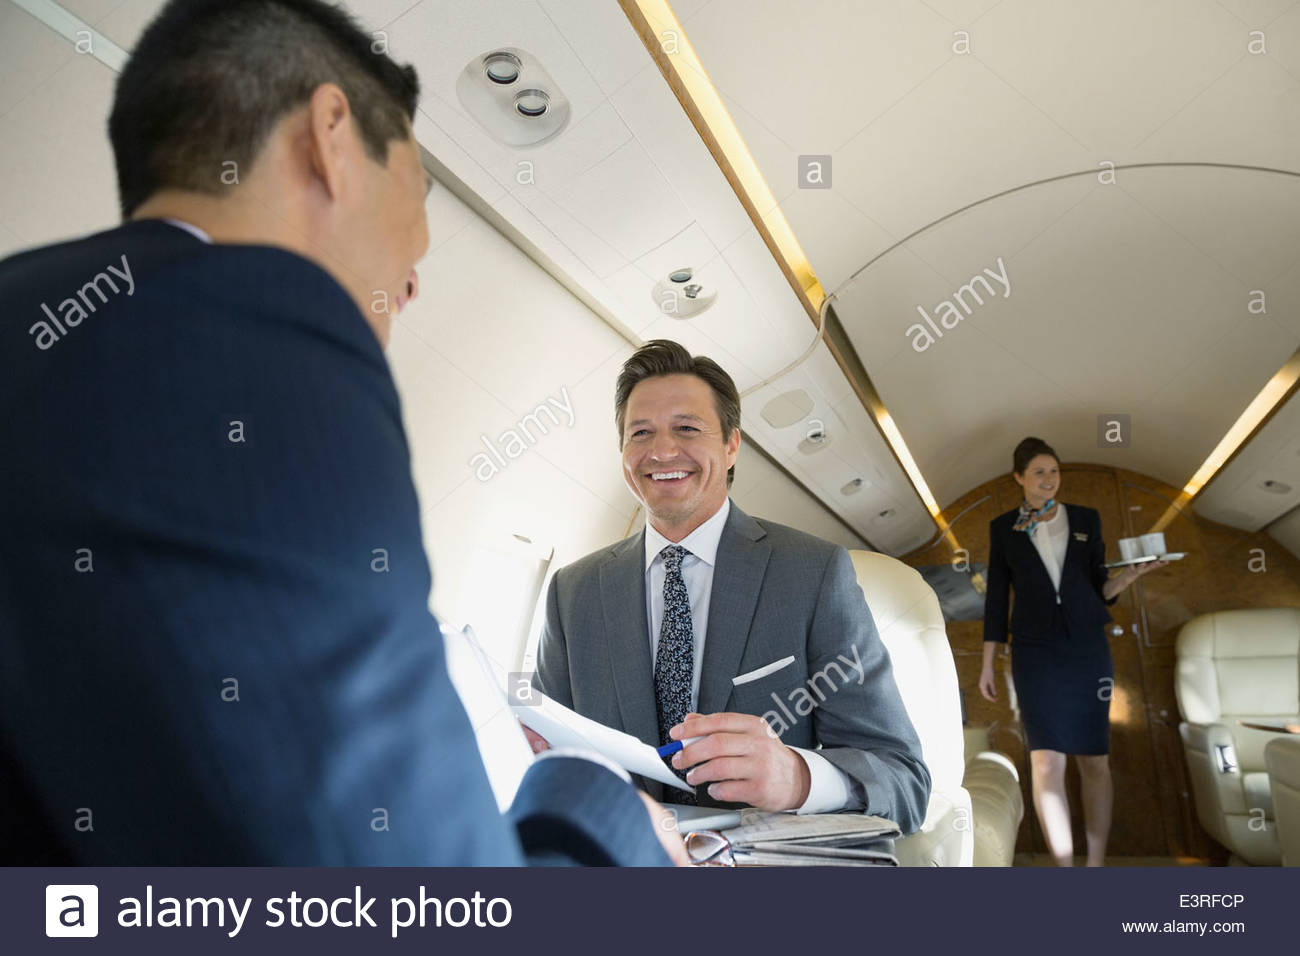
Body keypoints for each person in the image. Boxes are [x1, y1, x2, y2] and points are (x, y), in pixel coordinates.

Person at [0, 0, 685, 867]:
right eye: (417, 188)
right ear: (330, 137)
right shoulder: (262, 337)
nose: (414, 278)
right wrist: (608, 818)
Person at [527, 340, 930, 832]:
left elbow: (903, 780)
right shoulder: (572, 593)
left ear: (732, 444)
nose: (662, 451)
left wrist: (798, 778)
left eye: (687, 428)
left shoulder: (812, 573)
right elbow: (546, 750)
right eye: (641, 433)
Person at [979, 437, 1166, 866]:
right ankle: (1065, 871)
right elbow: (997, 599)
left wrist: (1132, 575)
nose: (1049, 479)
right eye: (1039, 472)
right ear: (1019, 478)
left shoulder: (1085, 518)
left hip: (1086, 649)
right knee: (1046, 763)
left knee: (1094, 760)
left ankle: (1094, 865)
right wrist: (988, 663)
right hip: (1034, 653)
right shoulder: (1003, 528)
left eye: (1054, 471)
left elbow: (1102, 587)